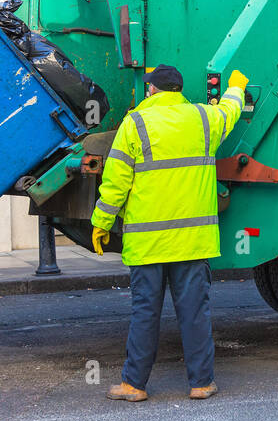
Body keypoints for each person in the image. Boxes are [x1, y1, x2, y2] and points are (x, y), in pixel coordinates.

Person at [90, 64, 247, 402]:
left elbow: (116, 181)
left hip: (148, 243)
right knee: (195, 313)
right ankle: (201, 383)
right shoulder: (205, 120)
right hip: (192, 242)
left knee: (145, 313)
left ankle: (134, 385)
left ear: (152, 91)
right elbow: (231, 110)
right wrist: (236, 87)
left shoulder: (135, 123)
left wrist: (102, 223)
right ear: (177, 90)